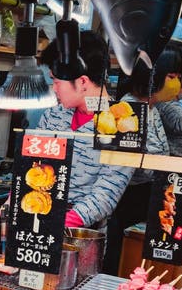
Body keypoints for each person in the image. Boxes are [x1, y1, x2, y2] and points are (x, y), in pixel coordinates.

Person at [37, 30, 134, 232]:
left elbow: (106, 194)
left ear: (82, 82)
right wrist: (14, 199)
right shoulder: (53, 115)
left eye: (56, 81)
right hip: (38, 218)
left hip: (81, 235)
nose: (54, 89)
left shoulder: (123, 124)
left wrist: (58, 224)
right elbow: (31, 164)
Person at [103, 51, 172, 274]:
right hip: (128, 197)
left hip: (146, 194)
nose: (176, 83)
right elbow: (141, 162)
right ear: (154, 80)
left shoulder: (152, 109)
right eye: (171, 77)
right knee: (119, 255)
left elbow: (161, 151)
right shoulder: (128, 110)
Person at [154, 46, 182, 156]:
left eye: (178, 77)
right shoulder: (163, 102)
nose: (176, 82)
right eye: (171, 77)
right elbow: (179, 125)